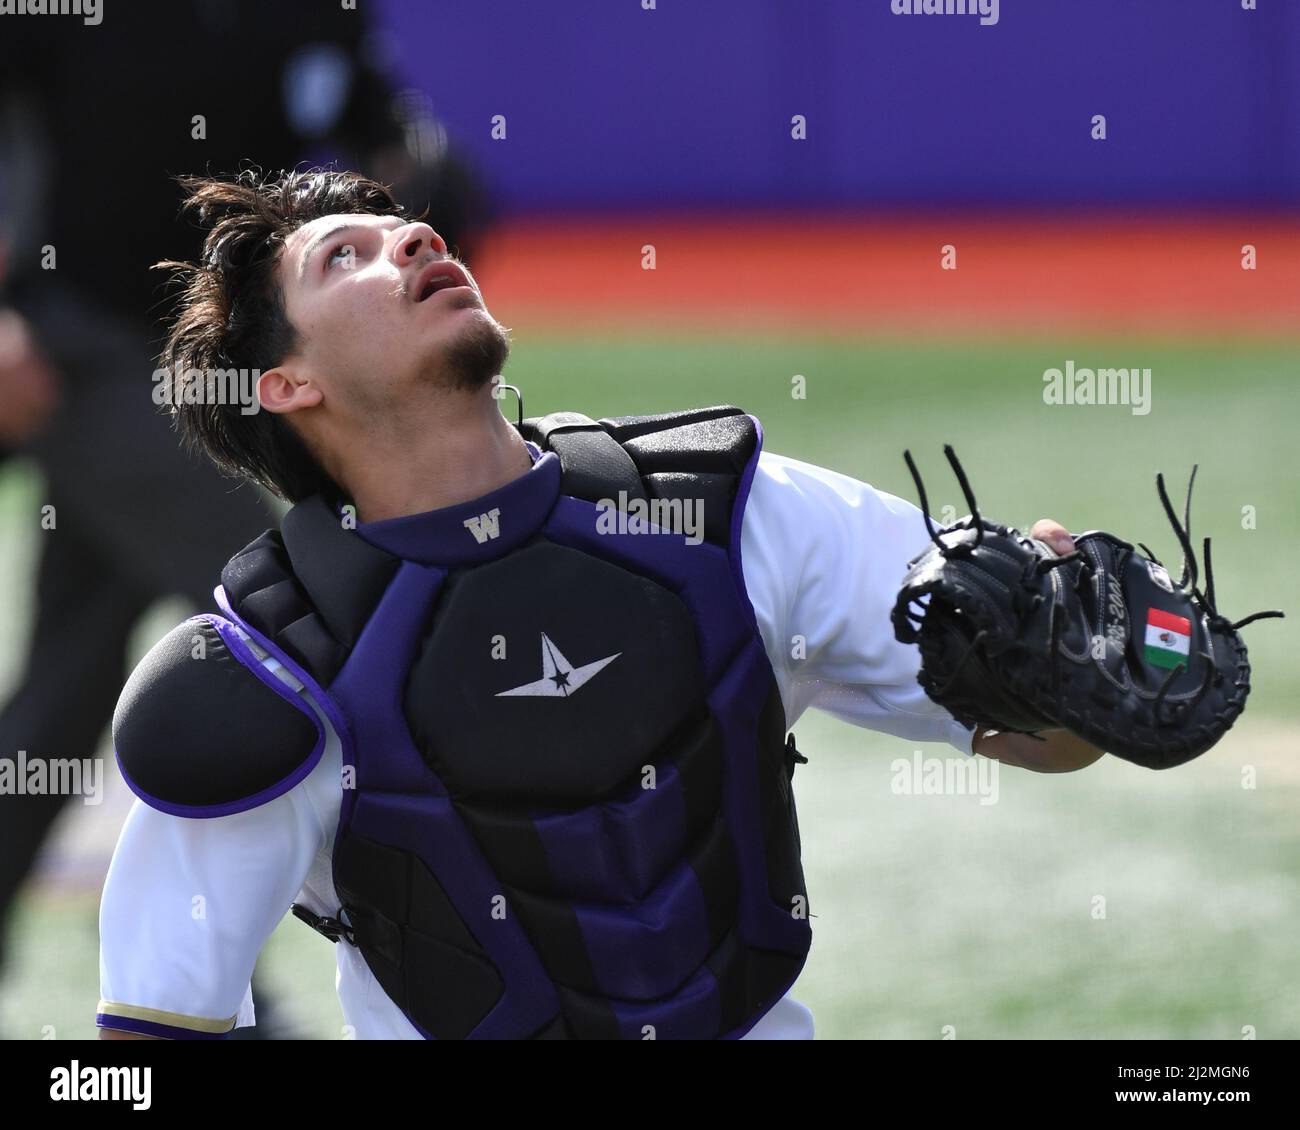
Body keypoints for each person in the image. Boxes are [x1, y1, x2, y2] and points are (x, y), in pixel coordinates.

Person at [97, 167, 1102, 1041]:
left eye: (410, 228)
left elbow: (1041, 736)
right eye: (343, 257)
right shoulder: (275, 662)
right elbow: (153, 1021)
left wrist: (1071, 670)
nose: (414, 238)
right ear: (283, 383)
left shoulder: (723, 512)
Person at [0, 3, 491, 1030]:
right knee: (283, 626)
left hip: (219, 373)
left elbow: (381, 137)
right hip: (81, 347)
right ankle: (232, 999)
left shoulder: (318, 10)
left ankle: (202, 983)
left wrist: (413, 193)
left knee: (61, 693)